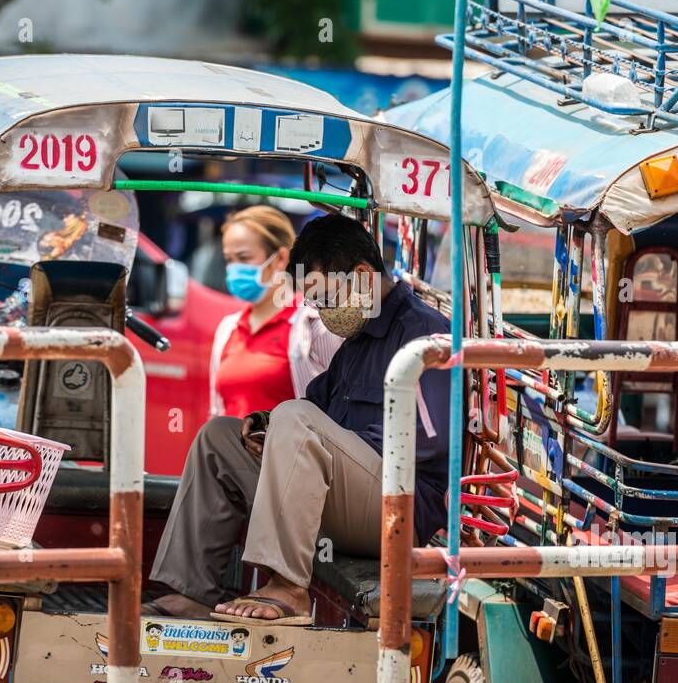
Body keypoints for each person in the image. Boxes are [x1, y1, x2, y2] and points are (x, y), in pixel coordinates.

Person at [145, 213, 451, 625]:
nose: (321, 311)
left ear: (361, 275)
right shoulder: (356, 341)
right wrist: (266, 427)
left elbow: (424, 442)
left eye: (324, 297)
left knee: (296, 418)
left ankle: (288, 586)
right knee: (218, 436)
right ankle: (191, 589)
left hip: (396, 509)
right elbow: (315, 409)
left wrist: (314, 437)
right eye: (313, 301)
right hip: (338, 496)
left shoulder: (423, 333)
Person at [210, 206, 341, 417]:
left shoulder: (314, 323)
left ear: (280, 259)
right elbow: (217, 412)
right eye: (229, 260)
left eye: (243, 258)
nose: (234, 269)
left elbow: (338, 407)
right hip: (232, 447)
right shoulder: (227, 329)